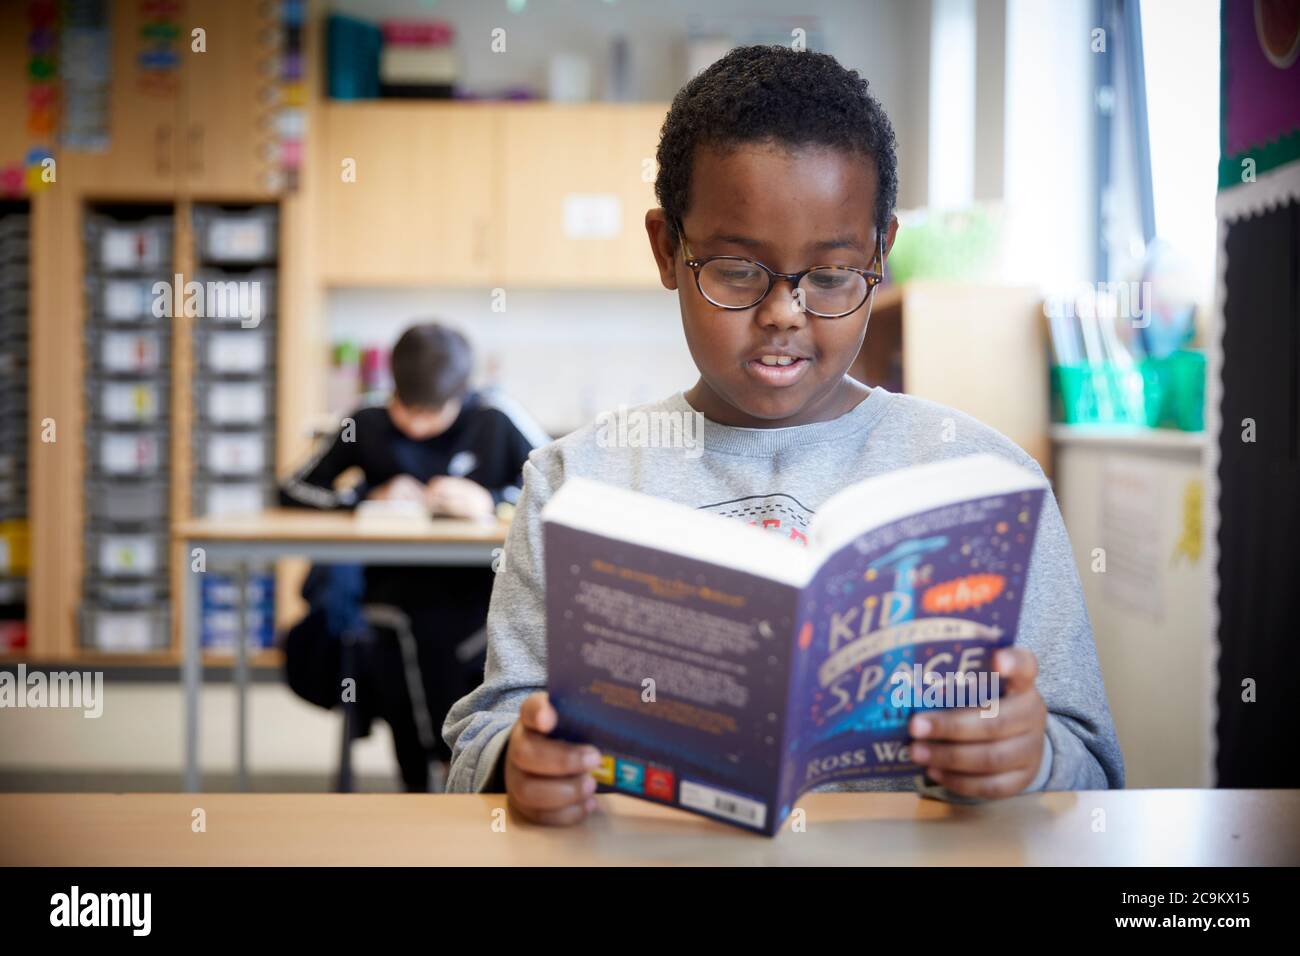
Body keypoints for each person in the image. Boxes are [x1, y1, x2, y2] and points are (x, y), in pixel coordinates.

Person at [443, 45, 1124, 824]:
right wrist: (517, 761)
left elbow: (1097, 771)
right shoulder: (576, 480)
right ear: (668, 249)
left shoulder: (983, 477)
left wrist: (1029, 756)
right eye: (737, 268)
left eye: (831, 276)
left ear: (881, 256)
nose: (783, 314)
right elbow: (482, 740)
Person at [280, 322, 545, 792]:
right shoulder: (366, 421)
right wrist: (364, 498)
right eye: (406, 409)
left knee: (443, 634)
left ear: (461, 396)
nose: (416, 424)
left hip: (478, 588)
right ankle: (427, 774)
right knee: (400, 634)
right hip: (389, 587)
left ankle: (453, 766)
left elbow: (559, 489)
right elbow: (294, 488)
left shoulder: (494, 418)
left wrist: (491, 500)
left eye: (431, 414)